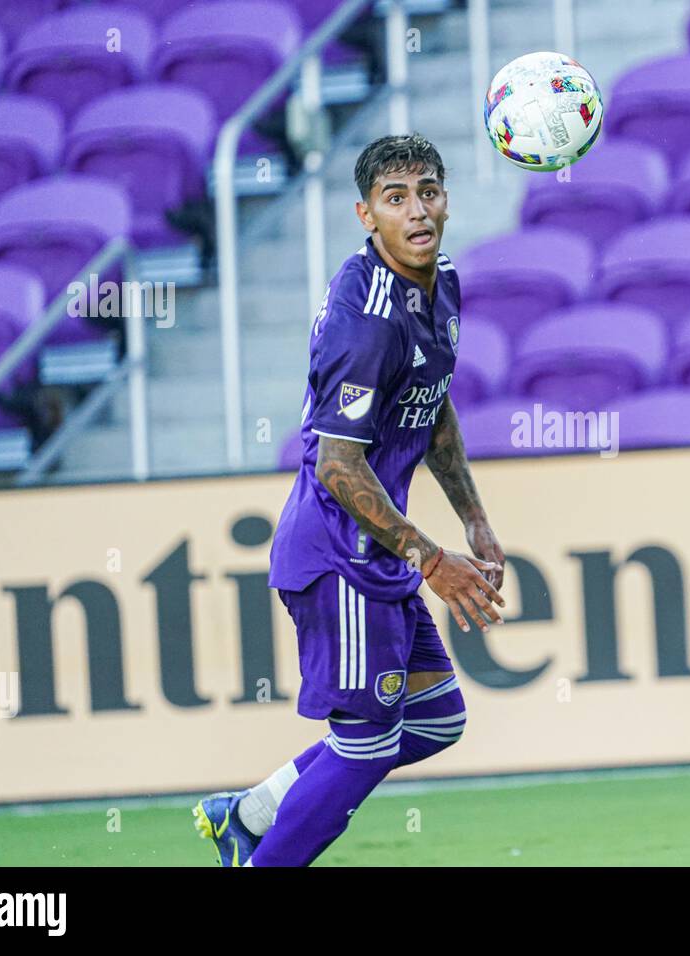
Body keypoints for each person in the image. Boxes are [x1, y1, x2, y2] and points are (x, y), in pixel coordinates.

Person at [193, 133, 506, 866]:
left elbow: (432, 402)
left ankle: (248, 814)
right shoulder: (365, 320)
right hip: (339, 558)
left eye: (428, 191)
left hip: (379, 555)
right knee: (365, 748)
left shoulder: (441, 280)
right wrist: (433, 559)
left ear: (446, 199)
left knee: (434, 720)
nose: (417, 210)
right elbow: (338, 464)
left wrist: (475, 517)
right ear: (366, 215)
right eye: (396, 199)